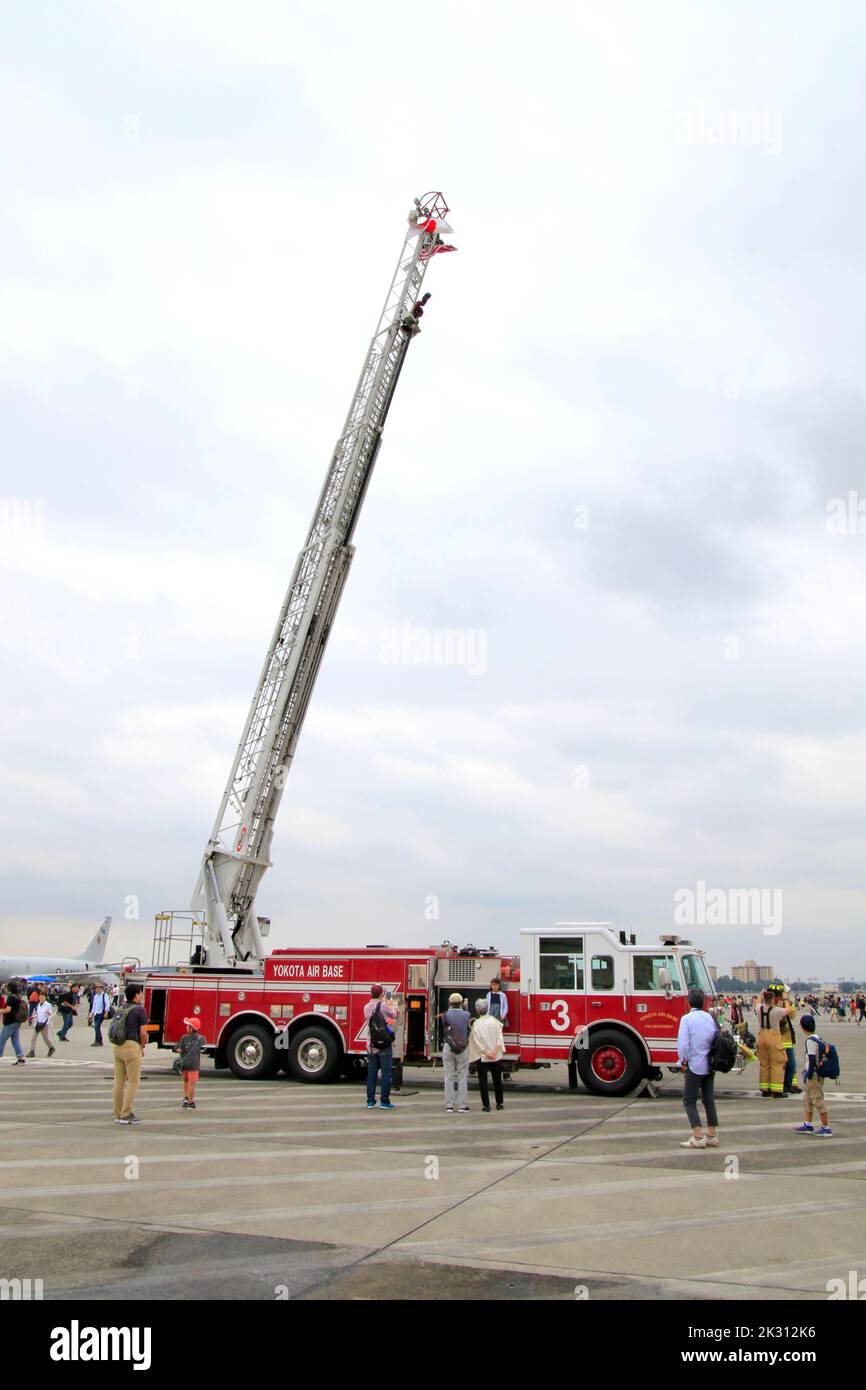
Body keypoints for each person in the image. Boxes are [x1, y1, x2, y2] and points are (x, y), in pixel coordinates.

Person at [675, 987, 719, 1148]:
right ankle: (712, 1135)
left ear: (689, 1002)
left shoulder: (687, 1019)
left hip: (695, 1065)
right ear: (704, 1002)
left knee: (689, 1100)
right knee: (708, 1100)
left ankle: (698, 1136)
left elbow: (683, 1044)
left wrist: (682, 1061)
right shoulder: (710, 1017)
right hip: (710, 1064)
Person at [112, 983, 149, 1124]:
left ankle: (117, 1113)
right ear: (136, 995)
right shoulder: (140, 1010)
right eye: (140, 993)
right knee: (133, 1082)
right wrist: (142, 1045)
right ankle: (126, 1113)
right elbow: (143, 1032)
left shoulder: (121, 1007)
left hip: (118, 1046)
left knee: (119, 1082)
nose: (141, 996)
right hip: (131, 1046)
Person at [794, 1014, 832, 1136]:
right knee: (808, 1100)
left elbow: (811, 1060)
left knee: (818, 1100)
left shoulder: (810, 1041)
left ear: (804, 1027)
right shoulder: (817, 1038)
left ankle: (826, 1128)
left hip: (814, 1075)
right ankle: (808, 1124)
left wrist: (808, 1075)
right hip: (816, 1074)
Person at [363, 984, 397, 1110]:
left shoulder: (366, 1007)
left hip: (371, 1045)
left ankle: (370, 1102)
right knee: (386, 1074)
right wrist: (388, 1004)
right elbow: (394, 1015)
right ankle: (385, 1102)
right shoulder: (383, 1005)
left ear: (371, 993)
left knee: (371, 1074)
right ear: (381, 994)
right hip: (384, 1045)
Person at [468, 998, 505, 1111]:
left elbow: (477, 1042)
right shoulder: (495, 1021)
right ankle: (499, 1103)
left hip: (483, 1057)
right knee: (497, 1079)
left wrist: (487, 1052)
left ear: (477, 1010)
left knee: (483, 1080)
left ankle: (486, 1105)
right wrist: (494, 1052)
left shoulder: (477, 1024)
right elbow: (500, 1037)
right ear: (487, 1008)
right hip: (496, 1055)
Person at [440, 991, 471, 1113]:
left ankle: (449, 1105)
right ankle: (462, 1105)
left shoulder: (445, 1015)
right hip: (462, 1047)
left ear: (449, 1002)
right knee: (462, 1076)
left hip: (448, 1046)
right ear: (461, 1003)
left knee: (448, 1077)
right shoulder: (467, 1014)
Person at [756, 983, 788, 1098]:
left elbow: (757, 1002)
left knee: (764, 1064)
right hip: (773, 1036)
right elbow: (787, 1010)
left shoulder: (759, 1009)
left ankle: (765, 1090)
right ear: (773, 999)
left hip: (761, 1035)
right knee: (777, 1063)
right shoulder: (777, 1010)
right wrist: (786, 998)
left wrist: (761, 993)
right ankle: (777, 1091)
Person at [176, 1017, 204, 1109]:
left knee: (185, 1081)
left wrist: (179, 1050)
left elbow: (178, 1048)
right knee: (191, 1083)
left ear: (191, 1028)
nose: (186, 1027)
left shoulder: (183, 1037)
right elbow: (204, 1044)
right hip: (194, 1064)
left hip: (184, 1064)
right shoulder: (201, 1038)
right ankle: (191, 1103)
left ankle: (185, 1099)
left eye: (188, 1025)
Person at [0, 981, 26, 1064]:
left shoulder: (10, 998)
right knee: (15, 1040)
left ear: (9, 988)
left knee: (2, 1039)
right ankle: (21, 1057)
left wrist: (0, 1010)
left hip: (10, 1022)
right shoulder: (18, 996)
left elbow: (8, 1010)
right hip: (17, 1021)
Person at [26, 989, 57, 1057]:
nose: (41, 997)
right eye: (40, 996)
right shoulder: (38, 1005)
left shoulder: (48, 1005)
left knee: (45, 1038)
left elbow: (51, 1014)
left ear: (45, 997)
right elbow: (38, 1014)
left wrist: (48, 1013)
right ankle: (32, 1051)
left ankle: (51, 1048)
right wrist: (33, 1017)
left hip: (44, 1024)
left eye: (43, 996)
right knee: (33, 1038)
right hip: (38, 1023)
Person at [88, 982, 110, 1047]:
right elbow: (94, 1005)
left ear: (101, 989)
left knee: (96, 1027)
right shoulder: (96, 996)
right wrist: (91, 1013)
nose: (97, 990)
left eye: (99, 988)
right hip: (96, 1013)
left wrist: (106, 1012)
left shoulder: (104, 995)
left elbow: (107, 1004)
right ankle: (98, 1040)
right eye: (96, 988)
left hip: (101, 1013)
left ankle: (98, 1041)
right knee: (96, 1027)